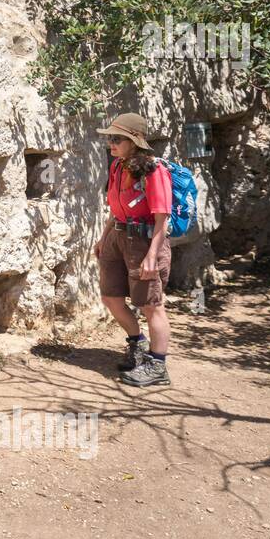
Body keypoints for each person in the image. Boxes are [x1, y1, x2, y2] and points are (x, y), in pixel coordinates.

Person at [94, 113, 172, 387]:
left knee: (151, 305)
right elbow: (114, 209)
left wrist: (153, 254)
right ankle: (137, 344)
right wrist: (104, 238)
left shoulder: (153, 170)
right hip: (117, 237)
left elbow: (162, 216)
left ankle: (158, 365)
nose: (111, 144)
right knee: (110, 297)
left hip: (144, 243)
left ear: (134, 141)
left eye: (117, 139)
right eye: (110, 139)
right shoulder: (117, 166)